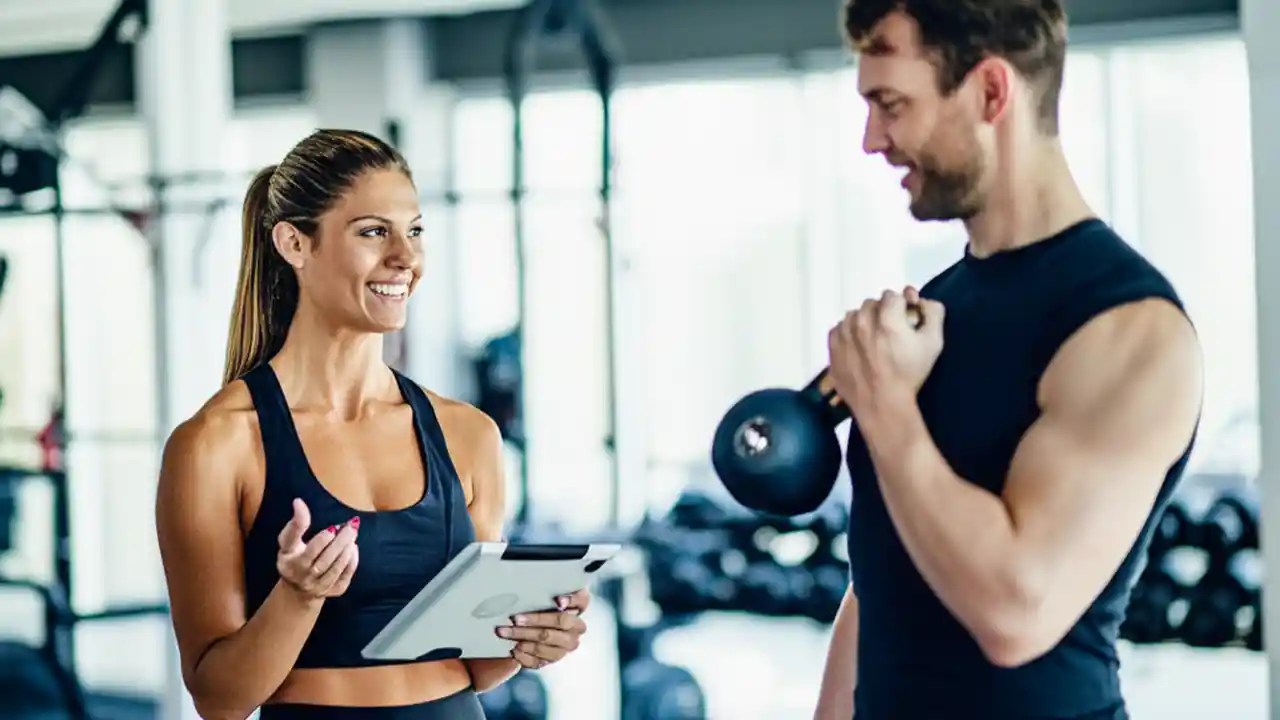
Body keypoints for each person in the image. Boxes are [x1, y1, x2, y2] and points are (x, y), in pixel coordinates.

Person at [812, 2, 1204, 719]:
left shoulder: (1130, 328)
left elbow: (1016, 612)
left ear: (992, 92)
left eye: (891, 105)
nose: (872, 140)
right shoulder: (933, 312)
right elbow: (882, 584)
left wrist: (886, 406)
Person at [155, 129, 592, 720]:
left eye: (414, 231)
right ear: (294, 243)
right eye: (373, 232)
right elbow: (218, 699)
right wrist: (298, 597)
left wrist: (531, 639)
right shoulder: (218, 443)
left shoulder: (468, 434)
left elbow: (479, 666)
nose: (406, 258)